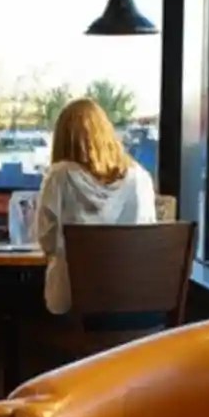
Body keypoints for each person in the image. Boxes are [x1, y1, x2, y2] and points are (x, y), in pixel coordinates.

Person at [36, 98, 157, 316]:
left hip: (77, 310)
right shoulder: (140, 178)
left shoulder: (59, 176)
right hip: (139, 309)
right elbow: (149, 239)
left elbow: (47, 242)